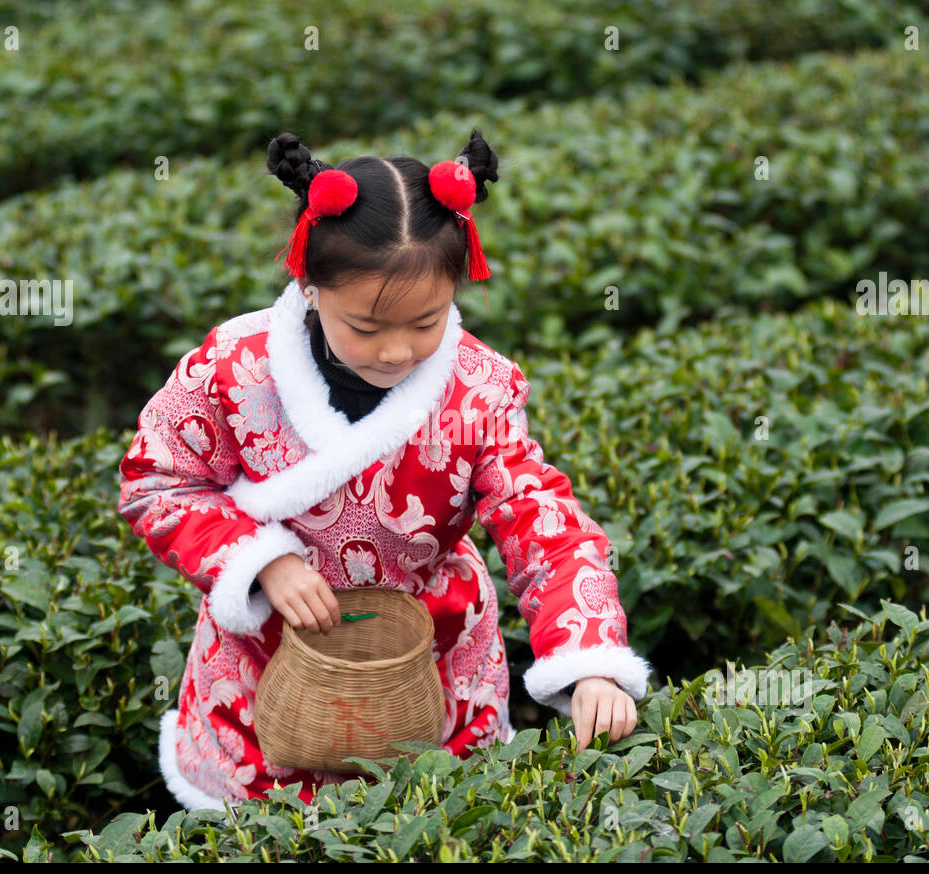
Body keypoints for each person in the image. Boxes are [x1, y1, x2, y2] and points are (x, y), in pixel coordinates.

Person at [118, 129, 652, 810]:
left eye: (426, 322)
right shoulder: (233, 369)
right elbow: (157, 480)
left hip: (432, 663)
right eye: (366, 328)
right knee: (268, 836)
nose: (399, 351)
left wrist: (591, 664)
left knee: (425, 828)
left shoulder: (476, 388)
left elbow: (544, 522)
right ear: (310, 286)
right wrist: (263, 562)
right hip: (267, 668)